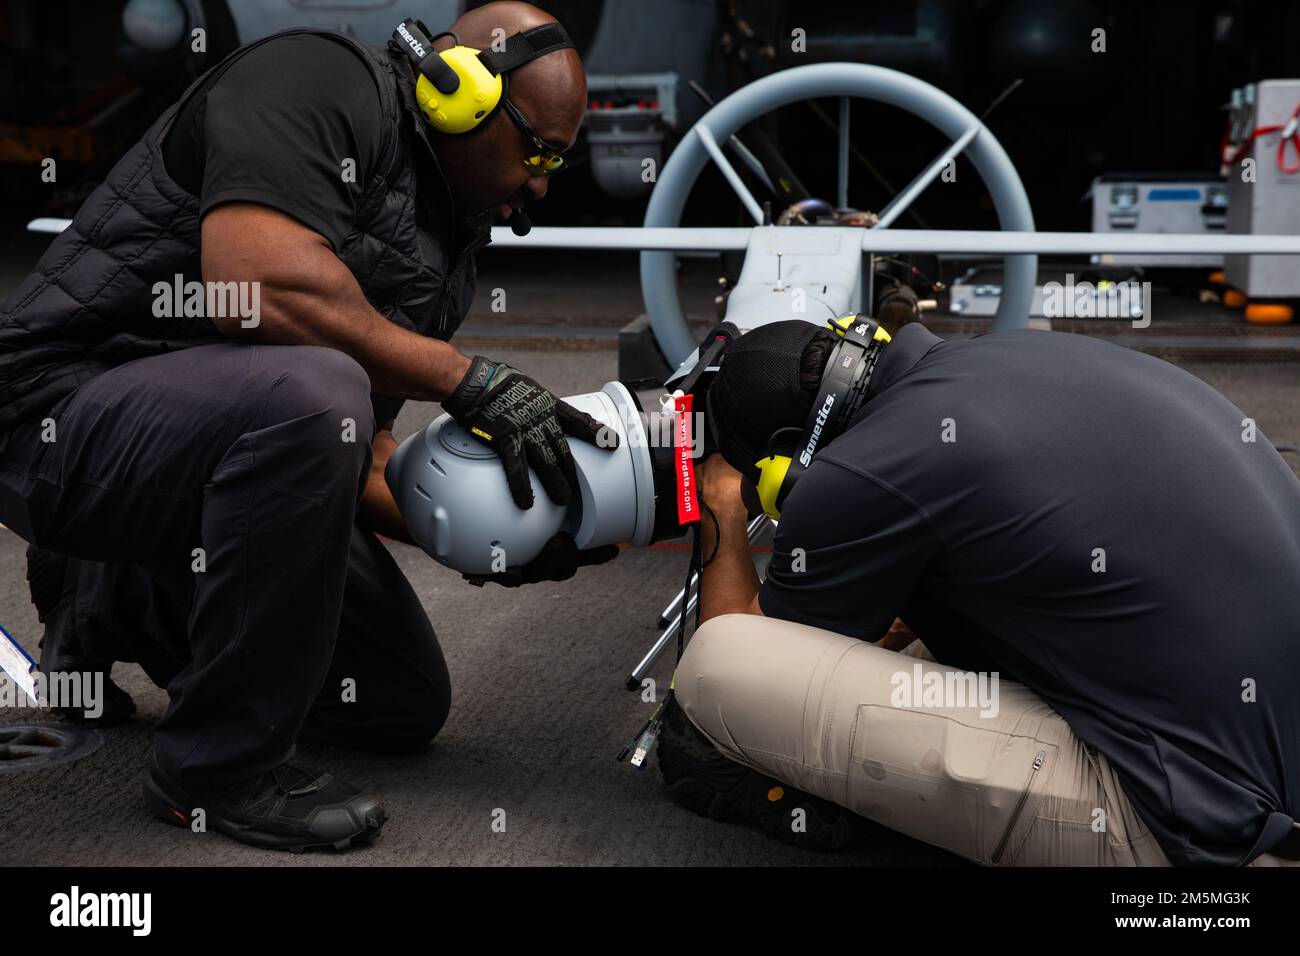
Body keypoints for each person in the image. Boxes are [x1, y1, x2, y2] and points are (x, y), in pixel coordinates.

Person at [0, 2, 616, 852]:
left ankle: (108, 594)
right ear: (461, 90)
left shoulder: (445, 249)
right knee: (315, 387)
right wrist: (468, 378)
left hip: (204, 461)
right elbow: (254, 284)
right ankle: (212, 771)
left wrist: (490, 539)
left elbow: (351, 454)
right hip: (56, 418)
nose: (541, 184)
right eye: (537, 150)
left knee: (399, 700)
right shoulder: (314, 79)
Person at [657, 317, 1300, 866]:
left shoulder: (858, 477)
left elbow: (748, 639)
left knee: (718, 667)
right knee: (907, 654)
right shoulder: (994, 356)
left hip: (1209, 828)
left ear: (780, 463)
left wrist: (718, 501)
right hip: (1262, 746)